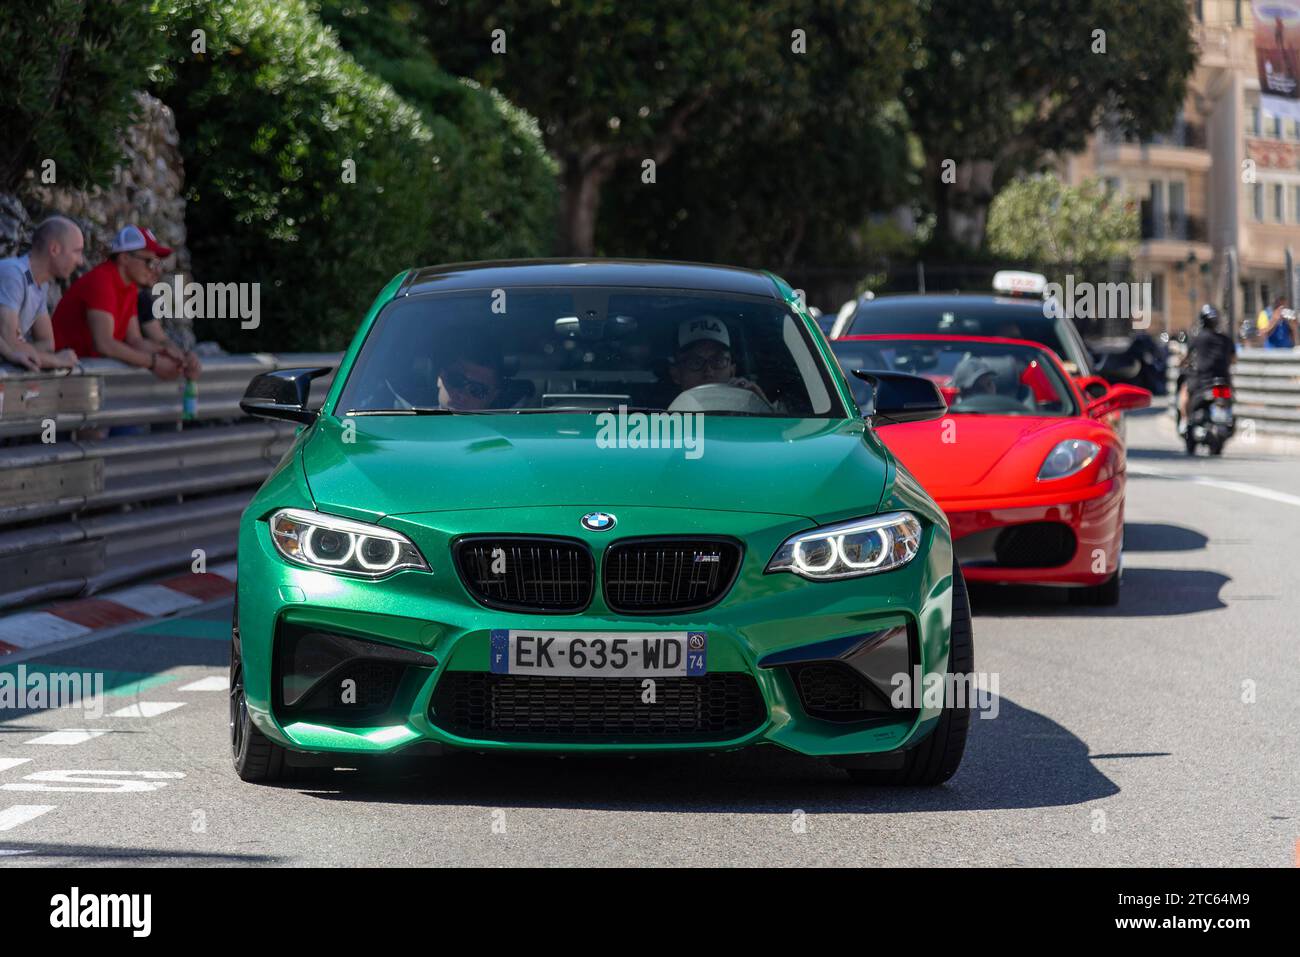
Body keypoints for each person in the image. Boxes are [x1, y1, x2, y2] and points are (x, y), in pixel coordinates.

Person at [51, 225, 201, 380]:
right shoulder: (102, 281)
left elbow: (135, 340)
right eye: (149, 262)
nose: (154, 270)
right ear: (124, 258)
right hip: (60, 376)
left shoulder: (129, 288)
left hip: (79, 374)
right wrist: (153, 362)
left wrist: (179, 356)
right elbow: (104, 344)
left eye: (157, 264)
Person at [0, 216, 83, 371]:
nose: (81, 262)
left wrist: (23, 349)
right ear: (54, 249)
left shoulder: (38, 284)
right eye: (77, 251)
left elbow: (47, 344)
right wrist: (57, 361)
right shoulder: (14, 274)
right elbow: (10, 343)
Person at [667, 315, 769, 404]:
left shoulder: (749, 410)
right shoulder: (658, 420)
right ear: (676, 374)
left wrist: (762, 406)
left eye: (718, 361)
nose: (709, 372)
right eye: (695, 362)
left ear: (732, 371)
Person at [1178, 304, 1234, 433]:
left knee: (1185, 389)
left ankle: (1184, 420)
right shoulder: (1226, 339)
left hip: (1202, 382)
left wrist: (1181, 363)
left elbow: (1186, 357)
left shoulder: (1198, 338)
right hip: (1223, 381)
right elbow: (1233, 359)